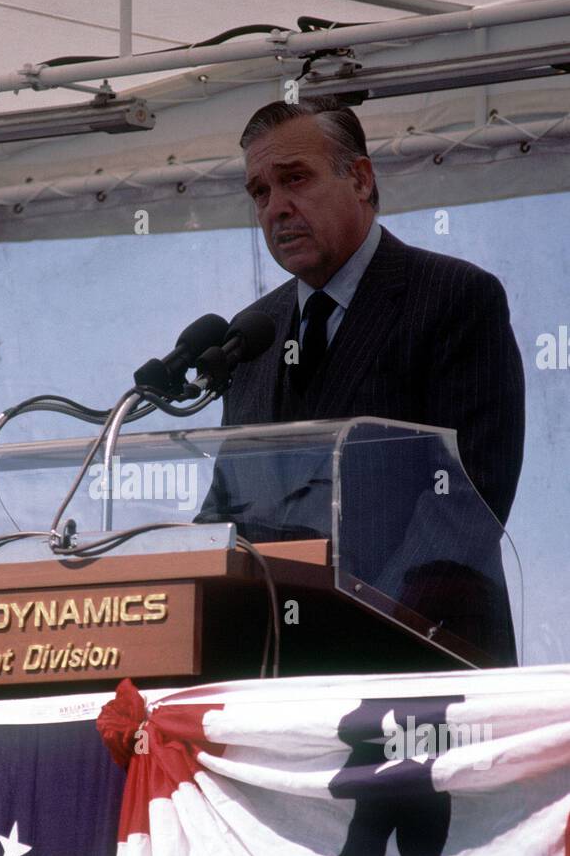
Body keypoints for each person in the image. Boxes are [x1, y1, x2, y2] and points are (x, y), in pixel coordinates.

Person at [201, 97, 526, 665]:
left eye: (294, 179)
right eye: (260, 192)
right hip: (276, 666)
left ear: (360, 178)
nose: (277, 207)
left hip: (419, 662)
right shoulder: (251, 335)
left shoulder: (454, 298)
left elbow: (468, 497)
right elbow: (230, 507)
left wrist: (359, 614)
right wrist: (184, 578)